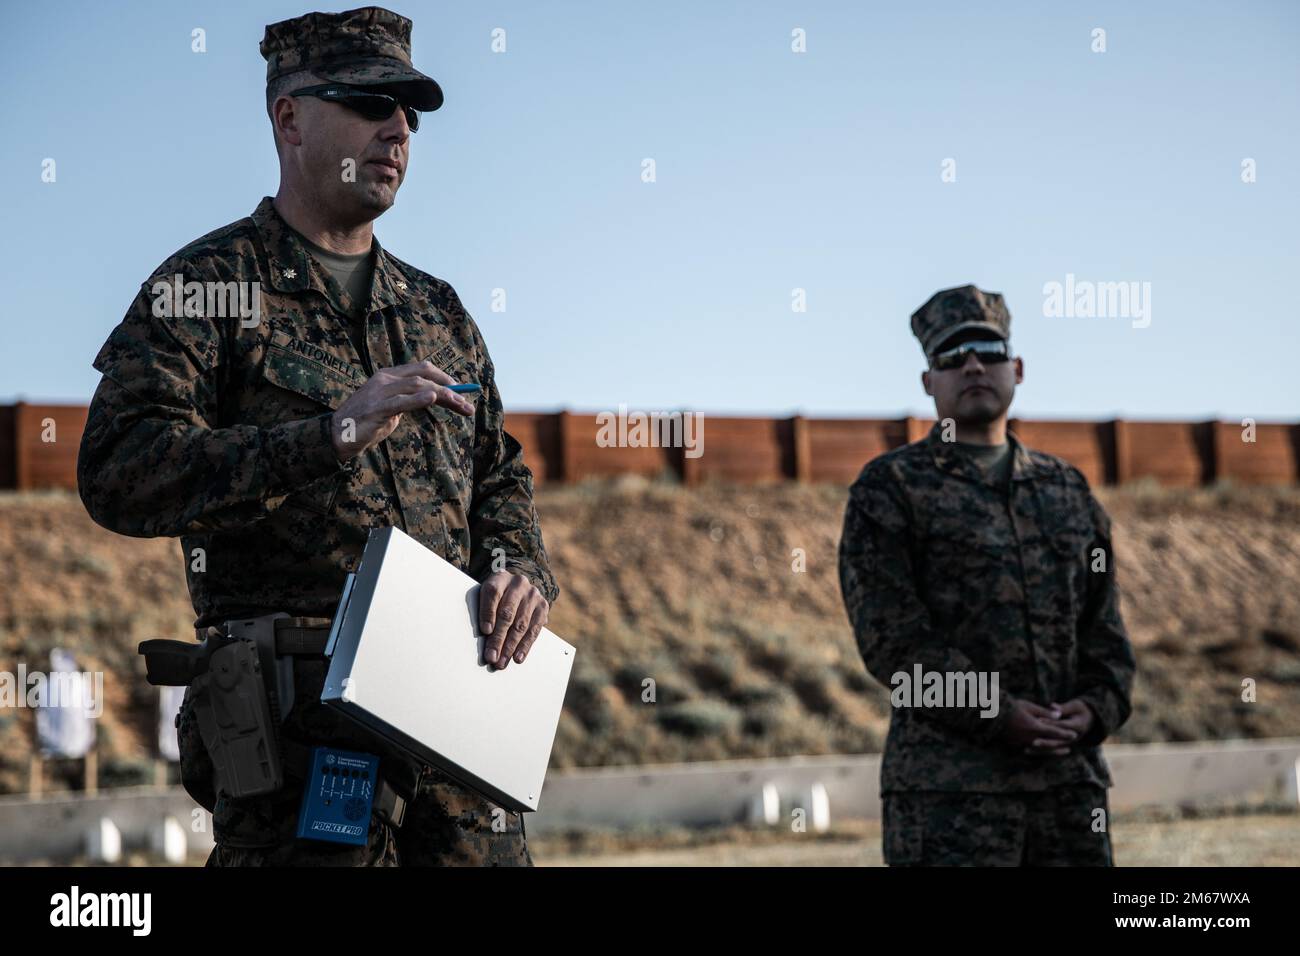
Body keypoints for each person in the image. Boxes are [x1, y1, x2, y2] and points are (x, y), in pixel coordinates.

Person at [77, 6, 558, 866]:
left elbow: (498, 471)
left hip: (456, 732)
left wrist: (519, 569)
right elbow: (118, 470)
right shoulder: (209, 287)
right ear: (289, 118)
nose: (398, 129)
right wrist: (329, 434)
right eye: (370, 102)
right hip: (299, 736)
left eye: (409, 111)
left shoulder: (436, 310)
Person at [837, 284, 1136, 866]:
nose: (971, 364)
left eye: (987, 350)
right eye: (950, 356)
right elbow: (894, 646)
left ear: (1017, 368)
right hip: (950, 803)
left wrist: (1098, 707)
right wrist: (999, 716)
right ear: (929, 382)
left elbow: (1106, 630)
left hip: (1068, 799)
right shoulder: (891, 490)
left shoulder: (1067, 491)